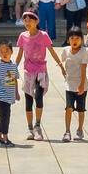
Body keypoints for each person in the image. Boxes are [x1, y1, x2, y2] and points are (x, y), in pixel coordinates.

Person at [15, 8, 64, 141]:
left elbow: (52, 51)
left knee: (38, 97)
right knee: (28, 100)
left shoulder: (43, 35)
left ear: (37, 21)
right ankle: (29, 128)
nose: (27, 22)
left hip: (41, 71)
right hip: (28, 72)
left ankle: (37, 126)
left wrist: (61, 66)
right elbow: (19, 55)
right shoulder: (22, 36)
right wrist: (12, 68)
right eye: (25, 19)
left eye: (30, 19)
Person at [60, 28, 88, 142]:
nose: (74, 40)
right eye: (72, 38)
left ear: (82, 40)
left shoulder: (85, 52)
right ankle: (67, 131)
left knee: (81, 109)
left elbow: (83, 69)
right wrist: (62, 69)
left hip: (81, 84)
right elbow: (62, 62)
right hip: (69, 84)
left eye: (77, 38)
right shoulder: (65, 50)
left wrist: (81, 85)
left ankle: (79, 129)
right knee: (68, 108)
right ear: (68, 40)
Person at [0, 40, 20, 146]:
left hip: (9, 96)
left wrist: (16, 92)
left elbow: (13, 80)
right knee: (5, 117)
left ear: (12, 51)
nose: (4, 53)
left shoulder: (13, 65)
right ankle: (5, 137)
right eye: (1, 51)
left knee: (2, 116)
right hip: (0, 96)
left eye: (7, 50)